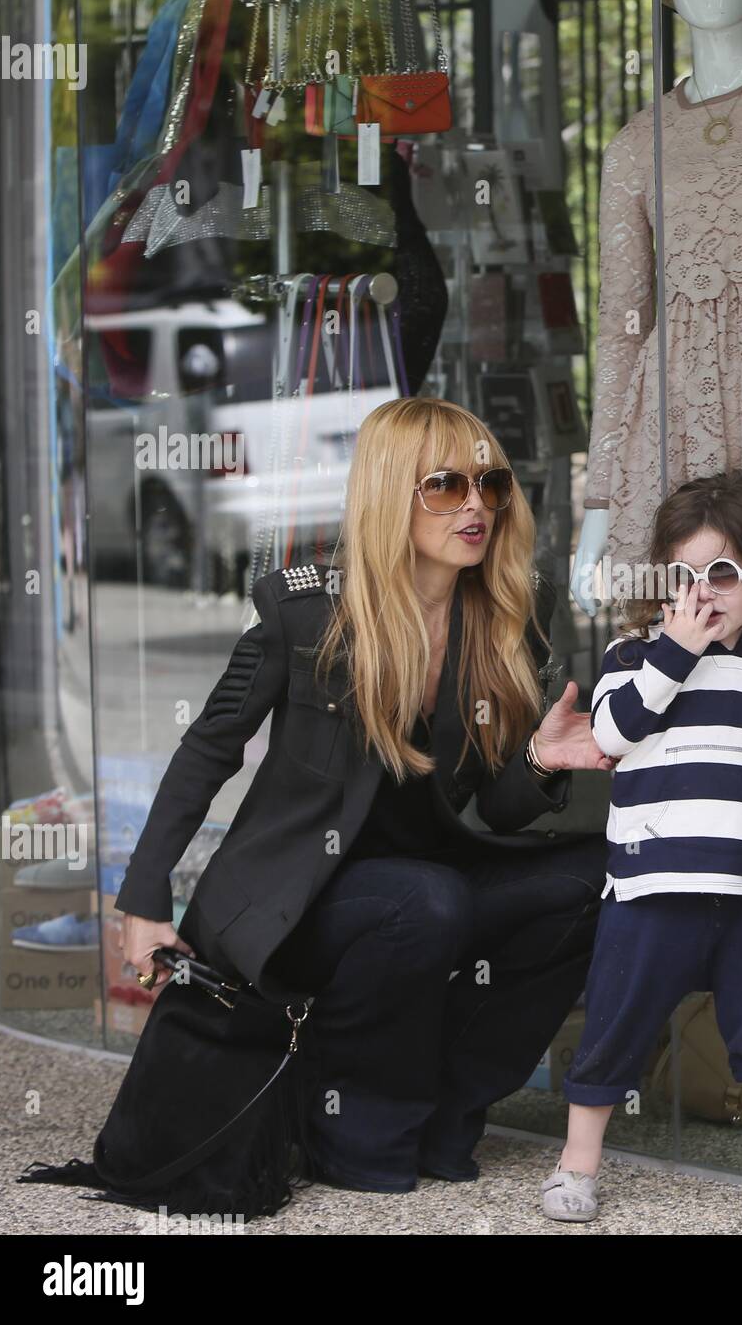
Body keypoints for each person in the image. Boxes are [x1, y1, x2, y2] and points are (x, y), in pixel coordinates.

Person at [117, 396, 612, 1193]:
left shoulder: (511, 615)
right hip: (304, 901)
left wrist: (543, 763)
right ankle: (353, 1126)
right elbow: (210, 747)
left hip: (436, 881)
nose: (477, 506)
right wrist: (143, 902)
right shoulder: (308, 612)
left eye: (491, 484)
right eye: (447, 485)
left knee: (595, 878)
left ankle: (450, 1108)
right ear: (391, 492)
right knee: (424, 901)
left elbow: (497, 804)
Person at [540, 470, 742, 1227]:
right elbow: (614, 734)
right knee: (615, 1027)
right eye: (685, 574)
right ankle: (576, 1165)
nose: (703, 591)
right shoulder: (632, 658)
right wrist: (674, 652)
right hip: (648, 893)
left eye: (722, 572)